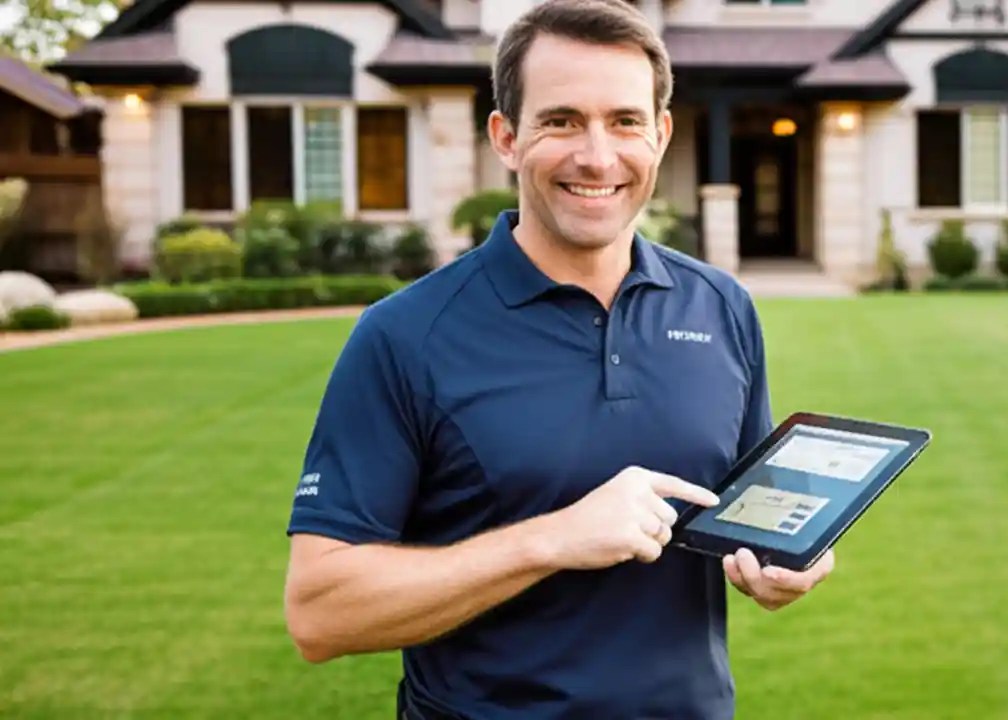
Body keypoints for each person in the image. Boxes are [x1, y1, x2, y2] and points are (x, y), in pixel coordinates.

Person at [282, 0, 835, 717]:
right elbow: (320, 616)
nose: (597, 157)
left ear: (661, 134)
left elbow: (748, 521)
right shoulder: (403, 336)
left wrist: (786, 561)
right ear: (506, 137)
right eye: (562, 120)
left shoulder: (721, 307)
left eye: (625, 121)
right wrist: (551, 539)